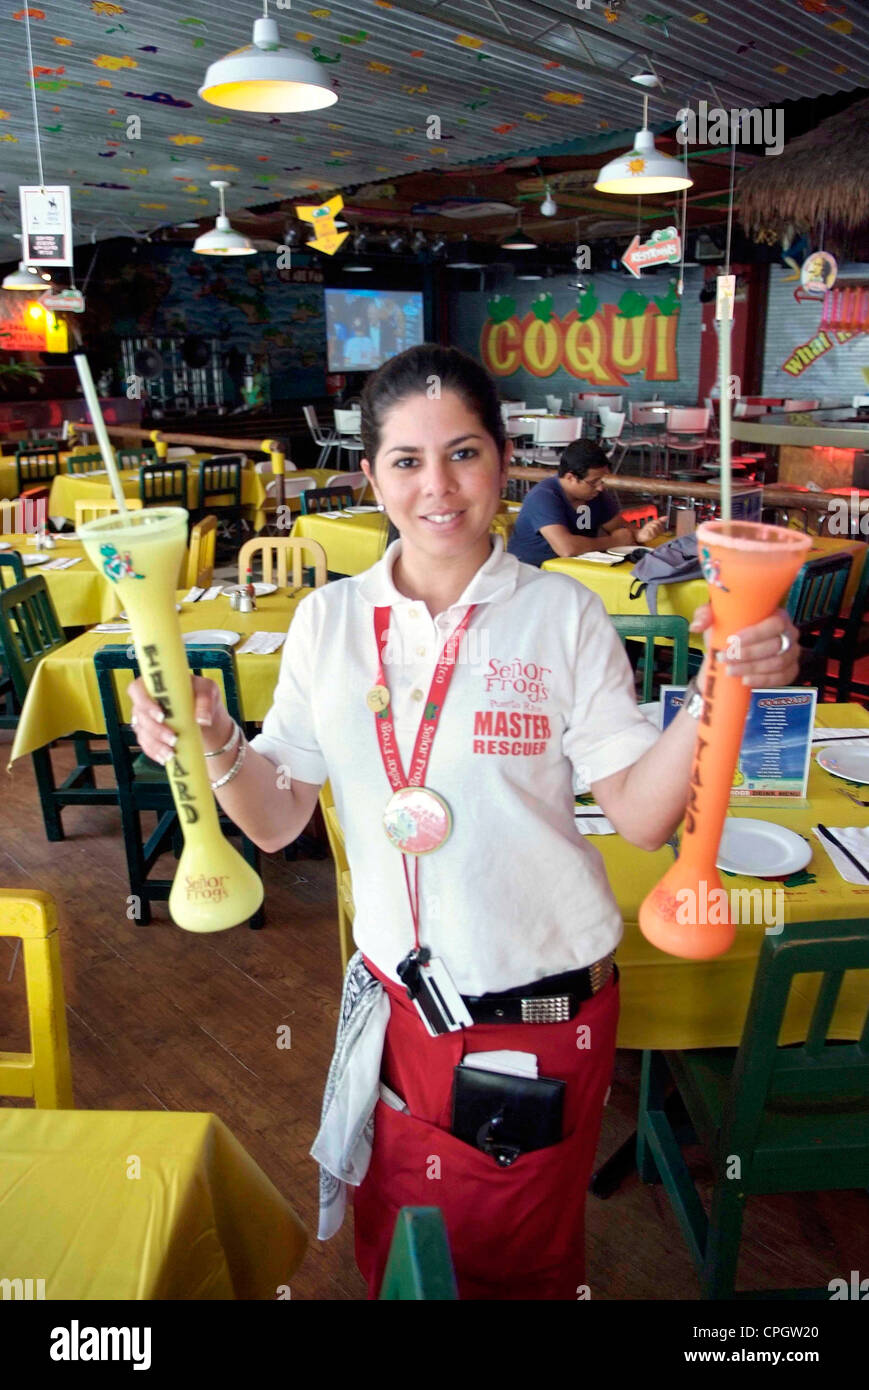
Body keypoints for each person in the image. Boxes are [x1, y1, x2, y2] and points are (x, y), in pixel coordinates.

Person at [128, 344, 799, 1301]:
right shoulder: (330, 622)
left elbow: (644, 820)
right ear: (370, 477)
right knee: (403, 1256)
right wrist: (214, 741)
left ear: (503, 462)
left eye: (464, 453)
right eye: (406, 461)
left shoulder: (562, 615)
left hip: (540, 1013)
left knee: (516, 1266)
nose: (436, 487)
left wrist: (713, 690)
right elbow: (276, 823)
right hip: (396, 1012)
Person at [508, 438, 666, 567]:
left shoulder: (595, 495)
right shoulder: (543, 497)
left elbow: (620, 528)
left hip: (575, 571)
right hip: (532, 573)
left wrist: (640, 534)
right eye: (594, 482)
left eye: (602, 481)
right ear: (571, 478)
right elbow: (566, 548)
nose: (600, 488)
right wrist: (614, 541)